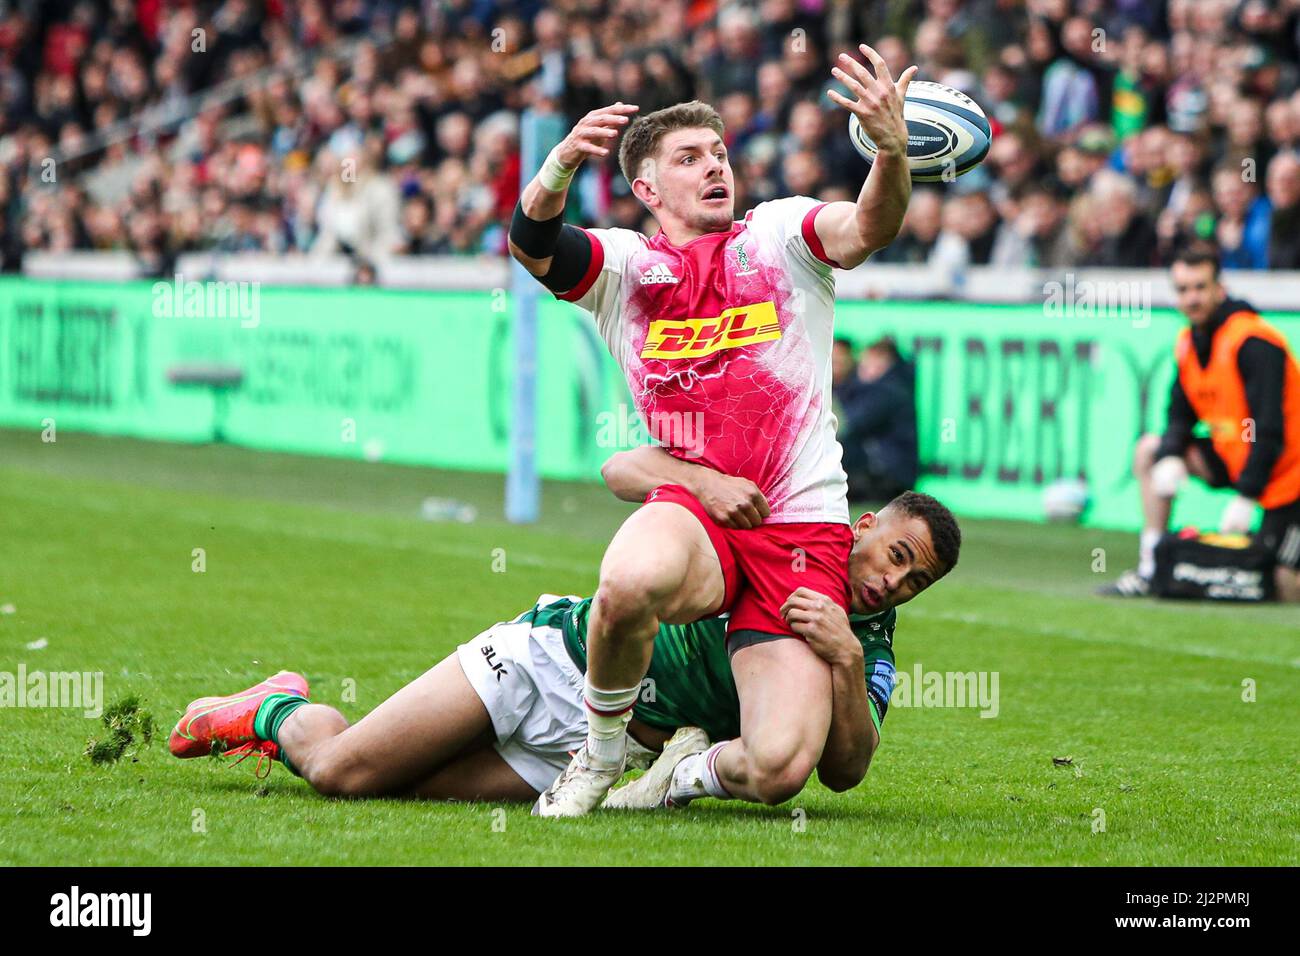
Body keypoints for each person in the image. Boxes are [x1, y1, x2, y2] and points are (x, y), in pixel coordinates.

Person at [506, 45, 918, 816]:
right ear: (647, 187)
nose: (714, 166)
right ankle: (597, 759)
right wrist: (559, 165)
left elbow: (870, 225)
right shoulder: (627, 269)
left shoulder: (780, 236)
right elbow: (533, 247)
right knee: (627, 581)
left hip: (798, 525)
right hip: (698, 513)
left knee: (783, 767)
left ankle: (678, 776)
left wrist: (891, 153)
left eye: (720, 152)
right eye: (689, 157)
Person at [168, 471, 962, 810]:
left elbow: (848, 772)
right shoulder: (788, 530)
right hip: (551, 662)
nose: (893, 583)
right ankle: (274, 707)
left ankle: (299, 718)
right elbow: (631, 477)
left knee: (395, 789)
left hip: (595, 754)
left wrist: (849, 662)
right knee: (343, 775)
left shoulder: (871, 647)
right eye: (896, 556)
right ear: (864, 525)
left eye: (914, 581)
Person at [1100, 247, 1300, 601]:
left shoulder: (1253, 342)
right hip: (1237, 460)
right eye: (1182, 290)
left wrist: (1247, 496)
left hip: (1288, 475)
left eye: (1199, 287)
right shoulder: (1188, 345)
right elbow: (1179, 413)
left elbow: (1268, 430)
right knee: (1150, 450)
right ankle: (1150, 567)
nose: (1191, 298)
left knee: (1284, 586)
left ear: (1218, 288)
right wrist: (1173, 454)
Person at [838, 337, 919, 503]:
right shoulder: (895, 387)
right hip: (890, 473)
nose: (860, 368)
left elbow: (851, 423)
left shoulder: (887, 392)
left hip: (887, 477)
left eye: (866, 363)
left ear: (881, 361)